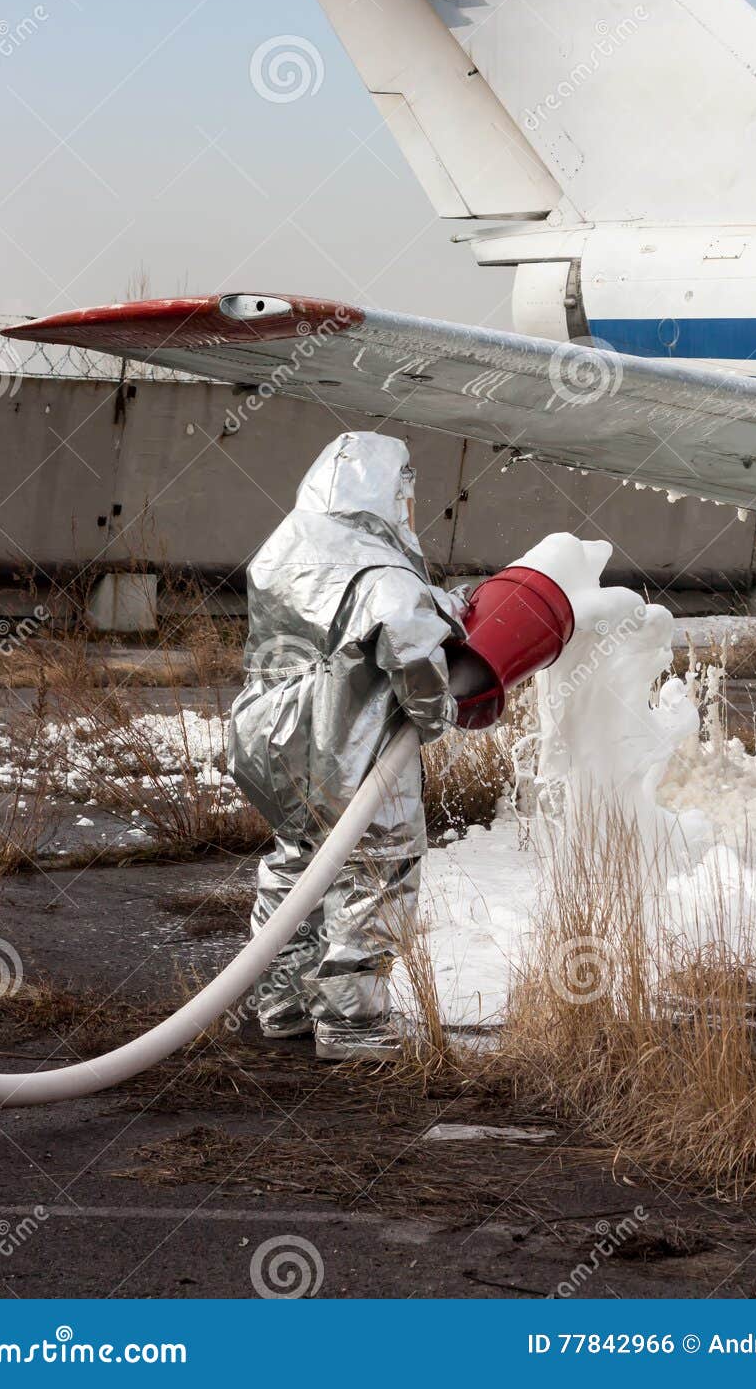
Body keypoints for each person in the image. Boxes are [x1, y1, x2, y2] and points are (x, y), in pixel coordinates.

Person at [229, 431, 465, 1060]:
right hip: (346, 739)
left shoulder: (284, 547)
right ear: (389, 493)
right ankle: (352, 1022)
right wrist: (437, 712)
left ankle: (279, 1003)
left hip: (268, 738)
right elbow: (405, 639)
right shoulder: (376, 562)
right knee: (375, 867)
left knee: (296, 862)